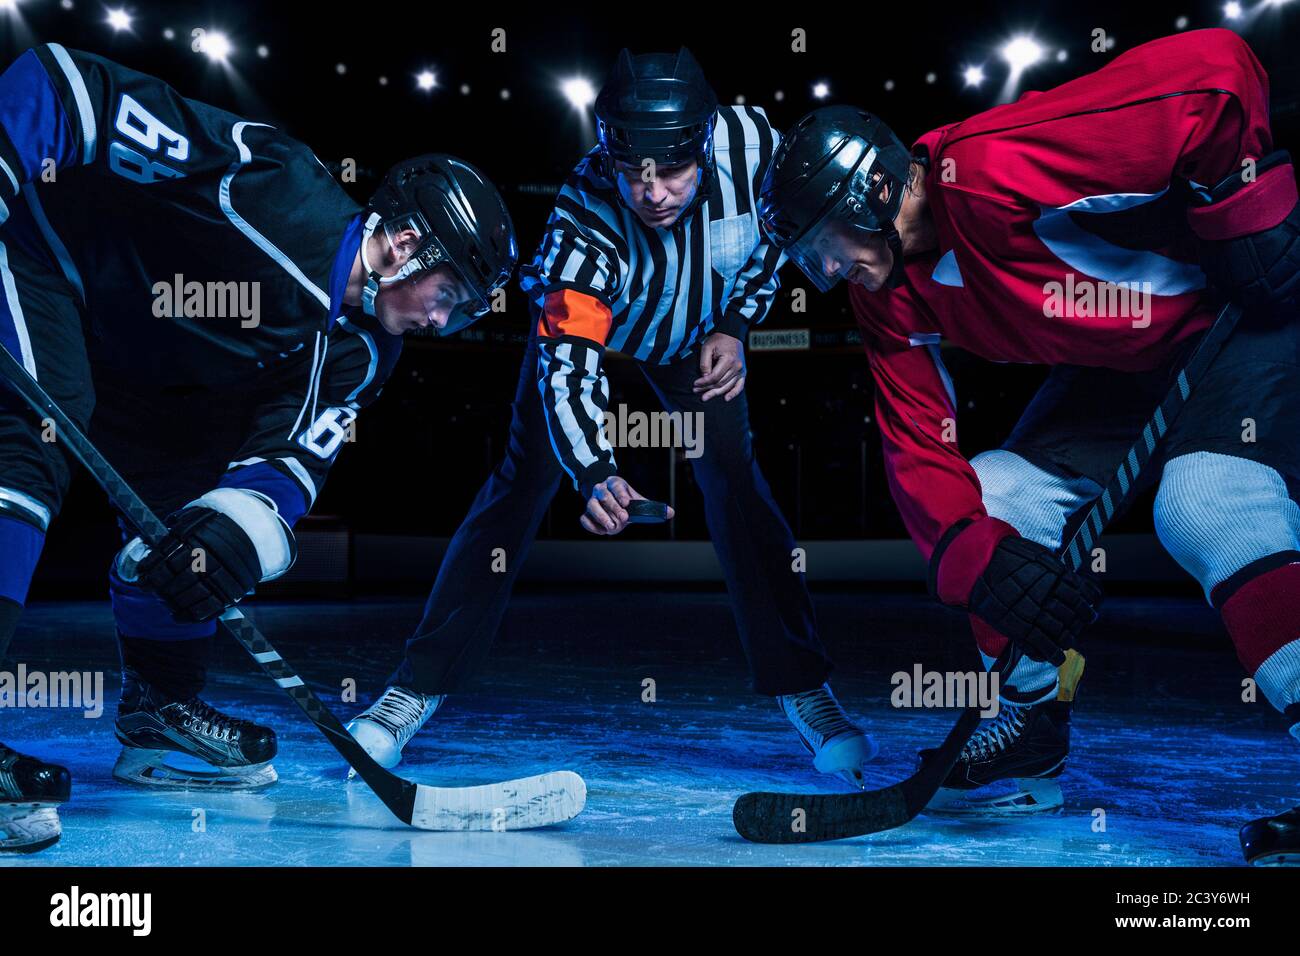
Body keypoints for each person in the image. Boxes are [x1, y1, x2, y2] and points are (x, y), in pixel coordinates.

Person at [758, 28, 1300, 860]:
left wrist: (1245, 204)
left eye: (818, 250)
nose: (823, 276)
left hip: (1243, 316)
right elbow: (918, 443)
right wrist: (979, 559)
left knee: (1206, 504)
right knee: (991, 507)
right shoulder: (888, 297)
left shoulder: (987, 169)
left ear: (867, 195)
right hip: (1129, 363)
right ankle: (1032, 730)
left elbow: (1213, 74)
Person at [0, 44, 516, 852]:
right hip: (47, 261)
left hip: (152, 374)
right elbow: (66, 85)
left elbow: (292, 460)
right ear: (407, 242)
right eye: (448, 295)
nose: (441, 322)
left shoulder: (368, 350)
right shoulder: (277, 193)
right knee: (29, 444)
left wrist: (240, 526)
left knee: (187, 542)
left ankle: (157, 717)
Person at [347, 47, 877, 789]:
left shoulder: (759, 147)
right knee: (517, 487)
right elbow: (569, 359)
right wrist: (593, 467)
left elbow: (774, 243)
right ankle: (415, 689)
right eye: (632, 172)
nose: (651, 194)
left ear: (705, 141)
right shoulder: (582, 217)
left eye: (670, 172)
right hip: (605, 333)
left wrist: (734, 324)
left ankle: (803, 687)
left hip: (695, 339)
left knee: (735, 482)